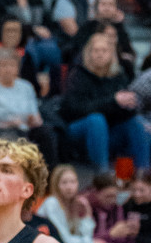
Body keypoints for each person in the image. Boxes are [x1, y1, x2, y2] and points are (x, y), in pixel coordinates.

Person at [61, 32, 150, 172]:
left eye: (104, 51)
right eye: (96, 50)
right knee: (96, 120)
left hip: (109, 131)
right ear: (88, 53)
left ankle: (143, 174)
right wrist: (113, 101)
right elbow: (74, 110)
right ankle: (102, 174)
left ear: (111, 54)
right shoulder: (77, 75)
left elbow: (123, 112)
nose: (100, 54)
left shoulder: (118, 76)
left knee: (135, 123)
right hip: (80, 131)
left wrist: (128, 105)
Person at [0, 46, 56, 166]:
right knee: (13, 138)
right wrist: (8, 124)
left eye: (12, 65)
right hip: (1, 133)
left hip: (26, 130)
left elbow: (35, 115)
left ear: (17, 68)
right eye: (4, 65)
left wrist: (34, 120)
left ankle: (50, 176)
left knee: (46, 133)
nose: (8, 69)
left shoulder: (26, 87)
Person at [40, 164, 103, 243]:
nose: (69, 187)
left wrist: (87, 214)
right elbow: (65, 239)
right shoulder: (52, 203)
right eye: (64, 183)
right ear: (56, 185)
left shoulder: (74, 204)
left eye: (73, 182)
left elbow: (83, 235)